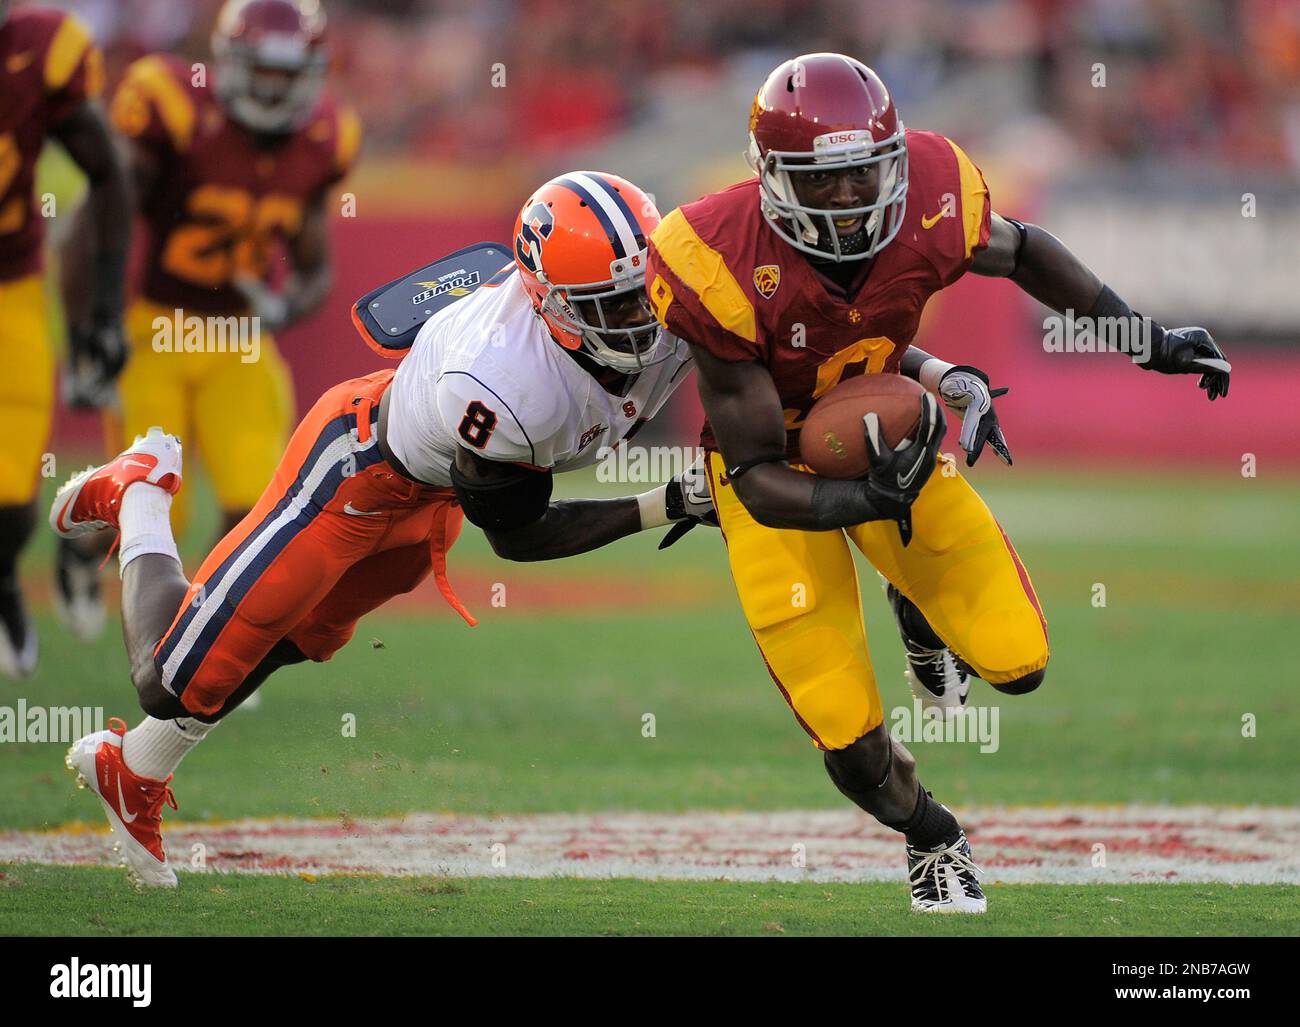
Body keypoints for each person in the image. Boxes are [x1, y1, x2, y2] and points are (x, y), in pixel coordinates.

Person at [644, 52, 1230, 912]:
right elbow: (761, 473)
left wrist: (1143, 339)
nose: (850, 199)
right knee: (847, 732)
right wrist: (863, 505)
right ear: (772, 180)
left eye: (863, 175)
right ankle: (931, 833)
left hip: (887, 441)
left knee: (1019, 661)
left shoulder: (934, 190)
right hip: (769, 477)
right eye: (826, 180)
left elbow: (1023, 251)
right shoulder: (710, 257)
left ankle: (917, 603)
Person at [52, 170, 709, 888]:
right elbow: (520, 534)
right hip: (351, 473)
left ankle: (135, 770)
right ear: (550, 304)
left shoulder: (677, 291)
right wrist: (669, 500)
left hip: (434, 495)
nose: (641, 318)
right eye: (610, 305)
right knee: (165, 678)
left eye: (642, 291)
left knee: (296, 638)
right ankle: (141, 493)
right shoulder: (502, 385)